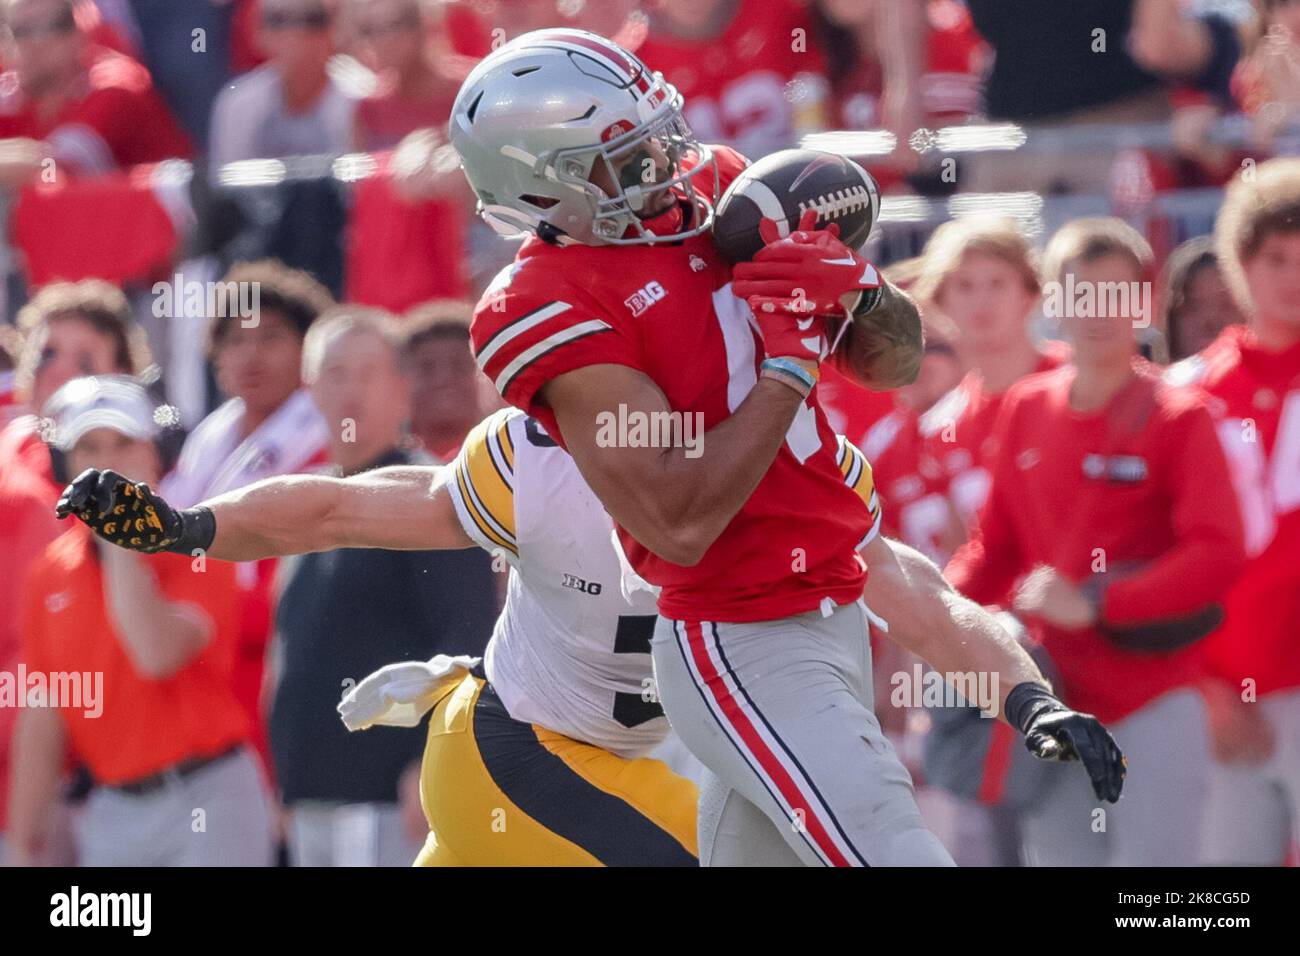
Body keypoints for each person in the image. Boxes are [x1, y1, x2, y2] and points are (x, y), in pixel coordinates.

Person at [445, 28, 1124, 866]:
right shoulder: (544, 301)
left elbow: (894, 365)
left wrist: (859, 292)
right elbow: (678, 523)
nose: (667, 166)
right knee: (891, 847)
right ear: (551, 190)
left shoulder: (730, 194)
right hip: (738, 635)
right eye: (627, 158)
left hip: (831, 608)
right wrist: (788, 368)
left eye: (658, 136)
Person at [946, 217, 1246, 866]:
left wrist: (1104, 604)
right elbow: (993, 550)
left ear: (1142, 302)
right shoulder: (1026, 406)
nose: (1100, 312)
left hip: (1153, 701)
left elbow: (1219, 552)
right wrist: (929, 614)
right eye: (1083, 293)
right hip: (1058, 706)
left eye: (1117, 293)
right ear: (1053, 303)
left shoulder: (1181, 416)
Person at [9, 375, 272, 867]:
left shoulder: (201, 543)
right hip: (113, 810)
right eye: (88, 447)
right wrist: (25, 843)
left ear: (156, 455)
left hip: (209, 798)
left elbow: (155, 653)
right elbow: (44, 716)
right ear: (65, 466)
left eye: (122, 443)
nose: (106, 462)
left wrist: (118, 539)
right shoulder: (48, 575)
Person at [268, 307, 497, 866]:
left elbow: (469, 639)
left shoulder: (430, 497)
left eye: (370, 373)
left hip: (392, 799)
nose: (352, 390)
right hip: (311, 796)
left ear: (402, 387)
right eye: (336, 373)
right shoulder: (305, 501)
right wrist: (281, 779)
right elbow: (287, 651)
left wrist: (431, 763)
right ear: (311, 390)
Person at [1169, 158, 1300, 866]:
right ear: (1240, 262)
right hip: (1218, 697)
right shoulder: (1186, 396)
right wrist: (1208, 688)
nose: (1292, 276)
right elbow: (1153, 550)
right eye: (1276, 257)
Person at [163, 260, 333, 769]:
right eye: (236, 339)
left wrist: (196, 611)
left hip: (286, 691)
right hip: (202, 686)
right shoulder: (205, 443)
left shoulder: (331, 448)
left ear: (310, 349)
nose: (251, 355)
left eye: (273, 336)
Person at [912, 217, 1070, 554]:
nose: (981, 301)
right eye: (964, 286)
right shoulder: (940, 426)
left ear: (1029, 295)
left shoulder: (1081, 379)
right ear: (941, 303)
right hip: (996, 606)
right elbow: (961, 554)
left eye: (997, 283)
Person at [0, 0, 191, 184]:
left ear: (81, 31)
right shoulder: (11, 93)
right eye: (18, 32)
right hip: (81, 214)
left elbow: (54, 168)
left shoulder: (115, 84)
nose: (32, 44)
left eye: (53, 26)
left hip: (174, 212)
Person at [208, 0, 363, 179]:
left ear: (333, 30)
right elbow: (228, 188)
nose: (295, 33)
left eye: (311, 19)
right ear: (258, 34)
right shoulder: (238, 103)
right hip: (261, 206)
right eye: (278, 20)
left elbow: (360, 187)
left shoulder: (359, 97)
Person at [347, 0, 461, 152]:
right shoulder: (369, 108)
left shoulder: (465, 91)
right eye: (369, 30)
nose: (380, 41)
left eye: (391, 26)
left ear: (421, 27)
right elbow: (363, 171)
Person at [398, 300, 493, 461]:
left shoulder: (512, 456)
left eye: (459, 366)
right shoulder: (382, 467)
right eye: (426, 368)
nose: (443, 379)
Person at [1159, 235, 1245, 363]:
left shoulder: (1280, 382)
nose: (1210, 319)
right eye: (1193, 306)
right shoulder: (1156, 382)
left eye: (1226, 305)